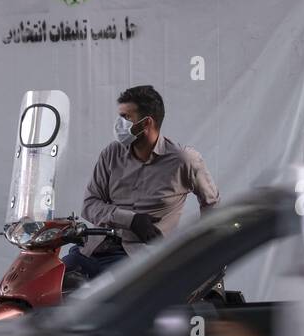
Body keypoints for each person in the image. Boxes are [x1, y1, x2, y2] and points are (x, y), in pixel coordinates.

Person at [67, 84, 220, 277]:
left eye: (126, 117)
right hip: (94, 250)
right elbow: (89, 205)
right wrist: (131, 220)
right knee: (48, 285)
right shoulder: (111, 154)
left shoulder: (184, 160)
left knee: (105, 303)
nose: (118, 123)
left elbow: (211, 204)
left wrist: (201, 247)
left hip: (140, 260)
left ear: (147, 123)